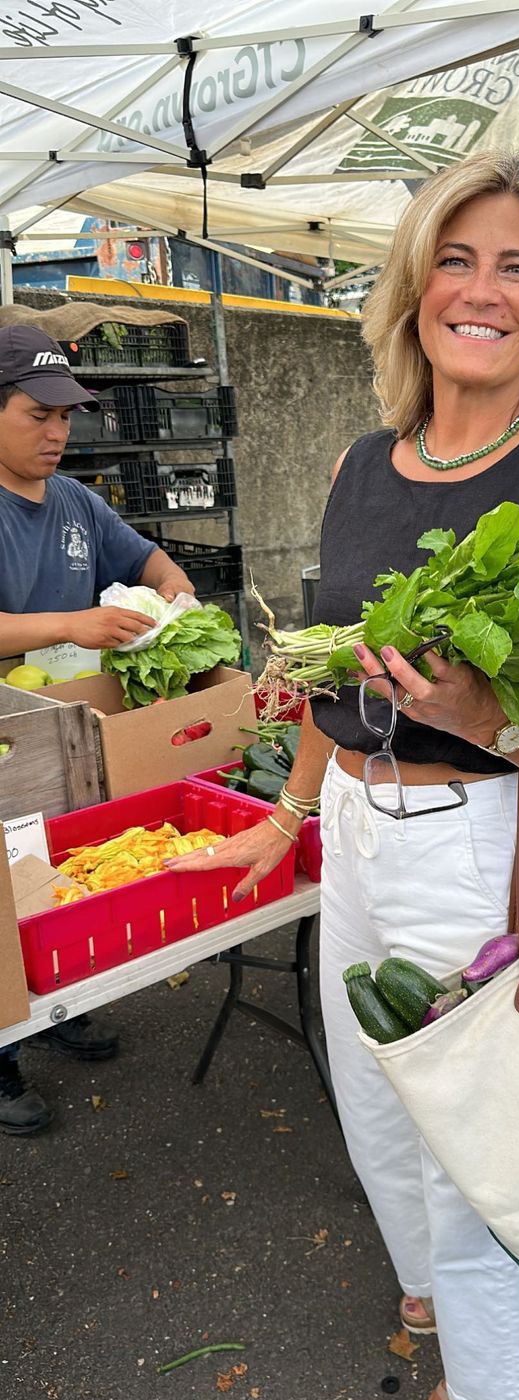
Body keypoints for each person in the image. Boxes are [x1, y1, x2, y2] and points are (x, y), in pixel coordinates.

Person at [166, 151, 519, 1400]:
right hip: (365, 840)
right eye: (458, 257)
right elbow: (346, 677)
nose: (483, 291)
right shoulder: (357, 461)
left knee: (470, 1128)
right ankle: (443, 1292)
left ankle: (485, 1395)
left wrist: (466, 713)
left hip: (482, 849)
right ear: (413, 286)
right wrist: (292, 811)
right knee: (380, 1102)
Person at [0, 323, 195, 1136]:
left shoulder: (78, 502)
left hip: (74, 729)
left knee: (56, 859)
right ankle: (3, 1050)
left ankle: (55, 1006)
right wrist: (73, 623)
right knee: (4, 880)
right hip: (9, 731)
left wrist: (175, 599)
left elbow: (151, 561)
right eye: (36, 414)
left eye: (65, 416)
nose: (56, 432)